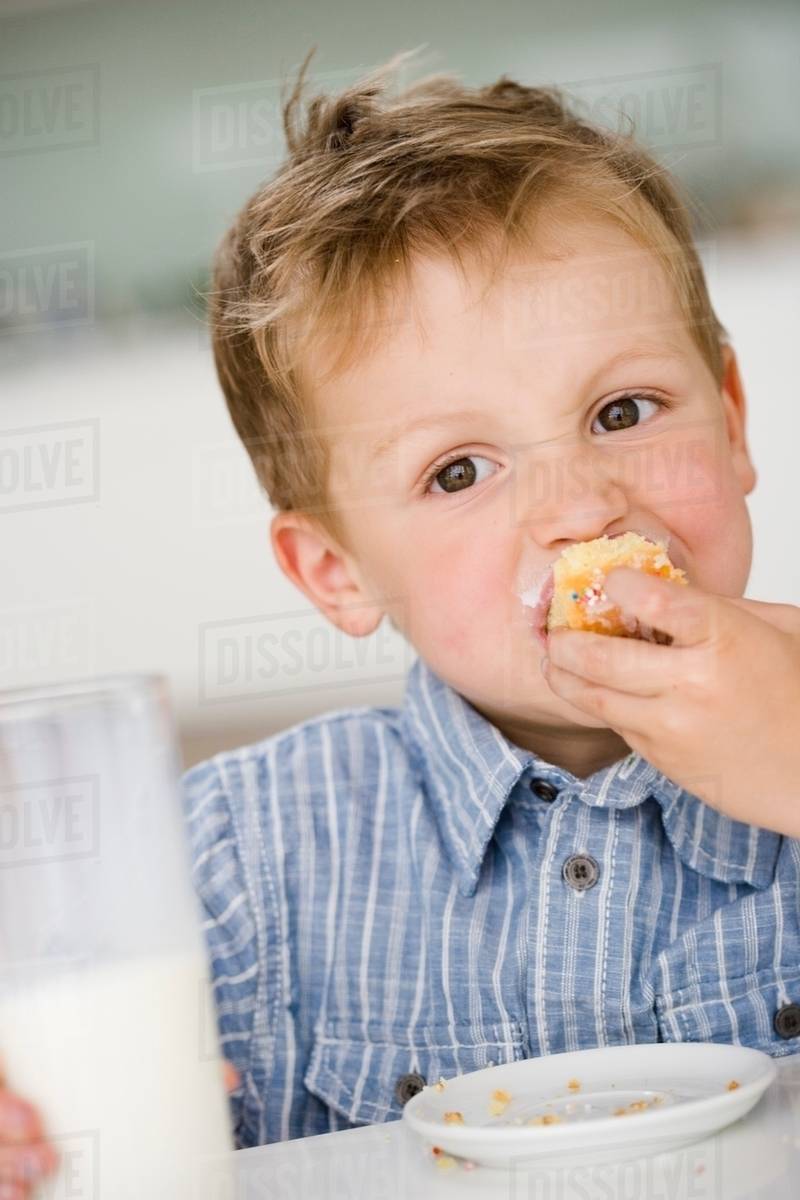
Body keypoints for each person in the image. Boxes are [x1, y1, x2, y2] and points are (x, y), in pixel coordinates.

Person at [5, 46, 800, 1185]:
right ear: (333, 572)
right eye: (459, 472)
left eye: (622, 410)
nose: (579, 505)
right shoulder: (234, 861)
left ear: (728, 420)